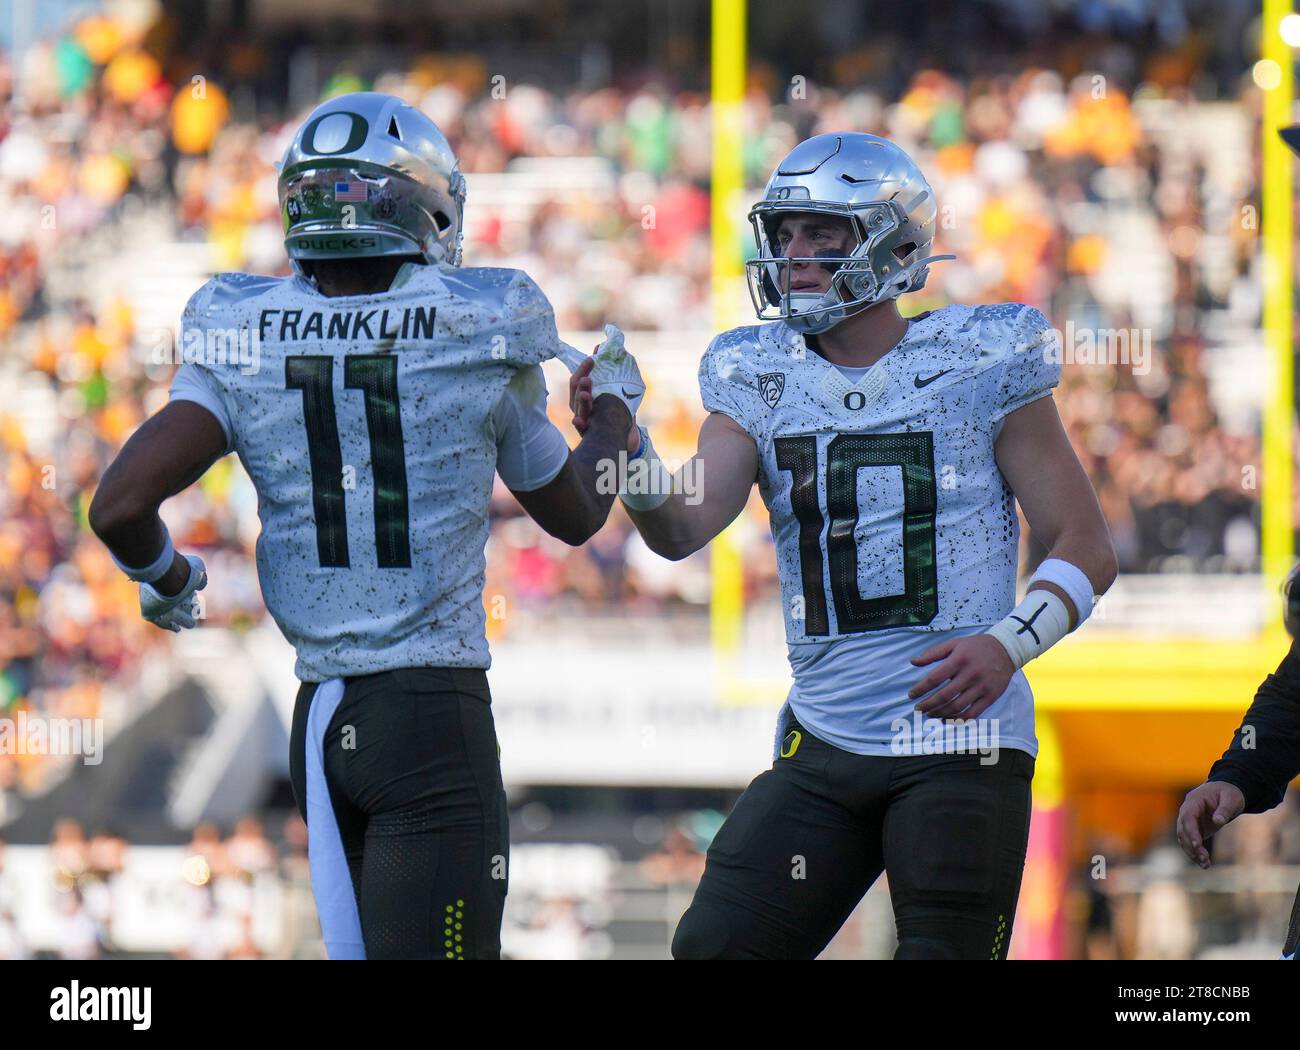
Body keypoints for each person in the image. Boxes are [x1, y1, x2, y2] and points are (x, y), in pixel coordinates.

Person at [89, 92, 643, 959]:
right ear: (419, 205)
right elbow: (578, 516)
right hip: (431, 721)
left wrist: (166, 578)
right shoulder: (473, 330)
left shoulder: (245, 333)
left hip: (320, 724)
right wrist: (611, 424)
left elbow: (117, 505)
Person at [572, 132, 1117, 959]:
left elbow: (1085, 543)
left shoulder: (980, 358)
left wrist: (1010, 646)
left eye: (821, 234)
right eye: (785, 234)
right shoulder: (759, 372)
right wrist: (625, 444)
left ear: (895, 245)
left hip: (959, 740)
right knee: (714, 949)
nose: (793, 255)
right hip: (824, 743)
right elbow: (681, 523)